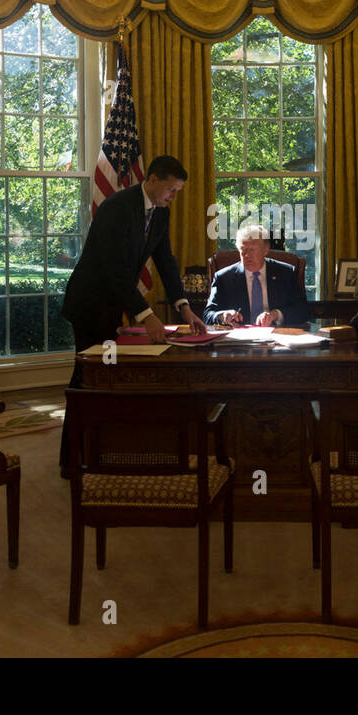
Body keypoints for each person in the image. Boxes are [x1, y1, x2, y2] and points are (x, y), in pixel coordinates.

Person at [58, 155, 207, 477]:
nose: (174, 197)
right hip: (89, 303)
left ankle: (109, 450)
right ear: (152, 180)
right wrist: (147, 316)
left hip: (114, 304)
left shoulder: (160, 212)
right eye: (171, 189)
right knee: (87, 381)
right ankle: (72, 462)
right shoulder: (116, 207)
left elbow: (165, 260)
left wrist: (183, 305)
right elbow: (113, 272)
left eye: (178, 191)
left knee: (111, 377)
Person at [203, 223, 310, 328]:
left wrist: (276, 315)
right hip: (239, 340)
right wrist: (222, 316)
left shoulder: (285, 273)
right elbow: (208, 314)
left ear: (266, 249)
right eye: (243, 250)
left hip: (277, 337)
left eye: (252, 250)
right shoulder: (224, 278)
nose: (247, 255)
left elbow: (302, 310)